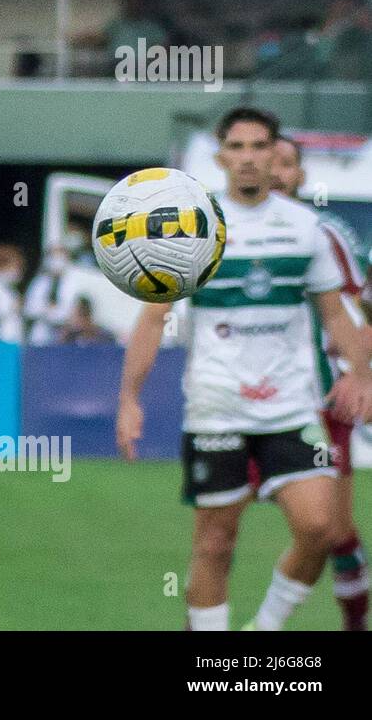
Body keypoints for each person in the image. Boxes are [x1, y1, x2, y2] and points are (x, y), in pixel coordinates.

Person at [117, 107, 372, 631]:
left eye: (260, 147)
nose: (249, 158)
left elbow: (335, 316)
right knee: (215, 540)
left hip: (291, 407)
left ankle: (261, 634)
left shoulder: (307, 229)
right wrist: (129, 398)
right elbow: (152, 319)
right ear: (220, 157)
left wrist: (362, 374)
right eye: (237, 148)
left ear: (274, 152)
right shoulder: (192, 230)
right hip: (218, 408)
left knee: (320, 527)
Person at [272, 133, 369, 630]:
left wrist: (358, 373)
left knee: (334, 529)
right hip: (237, 402)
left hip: (316, 404)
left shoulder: (325, 234)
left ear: (301, 175)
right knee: (215, 532)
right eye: (267, 160)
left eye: (286, 163)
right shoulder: (221, 233)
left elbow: (362, 309)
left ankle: (353, 623)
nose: (273, 171)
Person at [23, 244, 80, 345]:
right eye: (53, 258)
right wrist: (47, 310)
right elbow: (29, 308)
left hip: (65, 333)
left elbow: (70, 310)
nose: (56, 262)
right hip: (41, 332)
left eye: (60, 258)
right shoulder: (39, 282)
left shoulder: (73, 282)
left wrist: (53, 312)